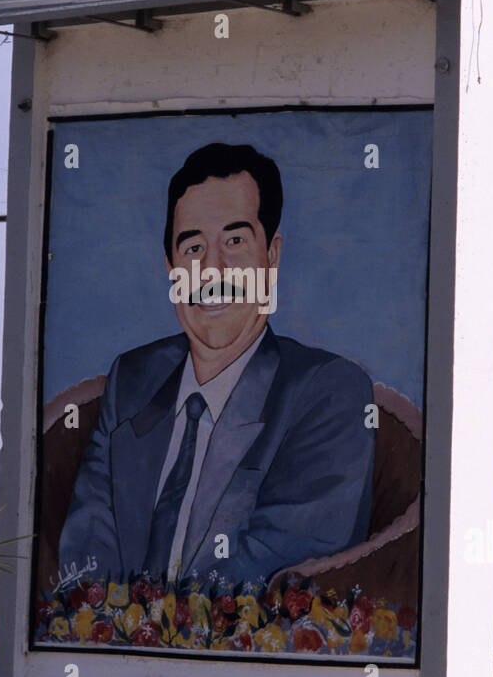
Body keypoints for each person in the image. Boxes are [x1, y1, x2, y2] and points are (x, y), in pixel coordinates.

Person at [57, 142, 376, 596]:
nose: (212, 270)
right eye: (192, 248)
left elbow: (280, 564)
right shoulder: (132, 380)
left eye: (235, 241)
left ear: (272, 254)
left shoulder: (328, 392)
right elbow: (86, 551)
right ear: (170, 269)